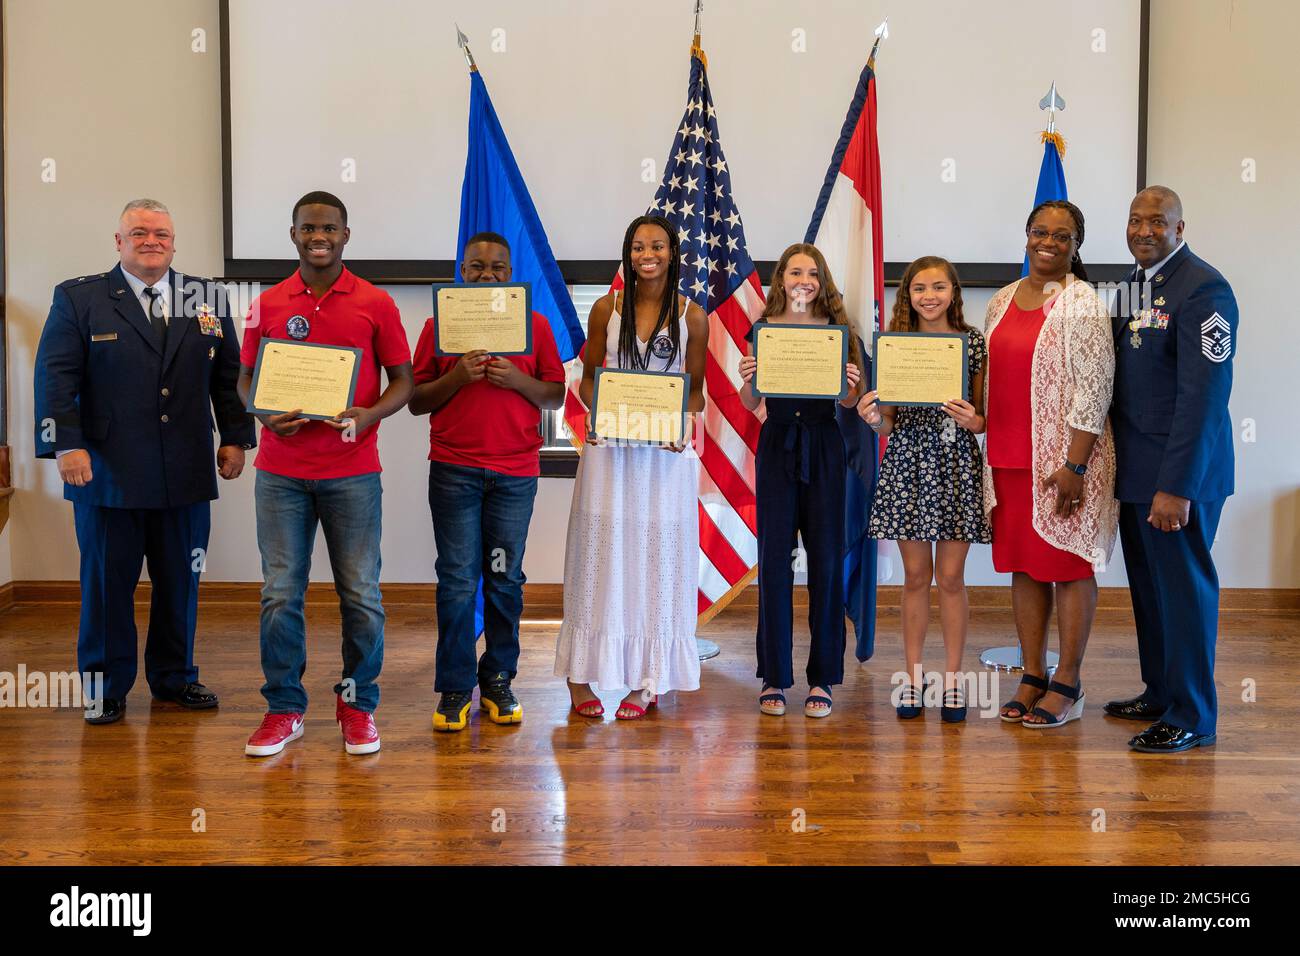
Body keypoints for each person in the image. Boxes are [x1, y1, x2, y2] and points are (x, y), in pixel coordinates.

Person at [33, 198, 254, 725]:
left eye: (160, 233)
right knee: (108, 584)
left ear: (174, 242)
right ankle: (104, 687)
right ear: (118, 241)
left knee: (181, 580)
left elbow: (228, 375)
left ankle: (174, 678)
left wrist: (236, 438)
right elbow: (55, 377)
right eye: (138, 232)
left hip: (185, 467)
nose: (150, 240)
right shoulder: (79, 298)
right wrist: (65, 445)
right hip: (106, 470)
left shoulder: (204, 296)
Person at [237, 191, 413, 757]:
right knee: (279, 595)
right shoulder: (264, 304)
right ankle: (284, 709)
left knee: (361, 594)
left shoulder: (375, 303)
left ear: (345, 235)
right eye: (309, 227)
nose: (320, 235)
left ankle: (357, 706)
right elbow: (243, 382)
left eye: (330, 227)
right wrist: (265, 414)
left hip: (352, 472)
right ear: (293, 234)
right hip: (280, 474)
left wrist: (368, 417)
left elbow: (403, 382)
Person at [409, 232, 566, 732]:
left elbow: (556, 396)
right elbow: (417, 401)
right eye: (476, 267)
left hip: (514, 475)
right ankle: (455, 687)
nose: (487, 275)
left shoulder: (535, 326)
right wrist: (458, 376)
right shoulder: (438, 326)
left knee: (505, 580)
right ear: (461, 271)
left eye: (498, 268)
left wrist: (514, 380)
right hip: (454, 471)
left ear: (511, 273)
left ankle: (498, 677)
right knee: (456, 581)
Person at [555, 215, 708, 720]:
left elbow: (696, 393)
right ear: (628, 253)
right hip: (611, 451)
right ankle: (581, 678)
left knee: (657, 562)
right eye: (639, 246)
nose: (648, 254)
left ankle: (649, 679)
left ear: (672, 253)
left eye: (658, 246)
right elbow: (589, 381)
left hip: (664, 460)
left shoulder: (693, 316)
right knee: (599, 555)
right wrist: (602, 417)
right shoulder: (606, 308)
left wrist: (679, 426)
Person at [1106, 186, 1237, 753]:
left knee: (1183, 591)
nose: (1143, 230)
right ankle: (1160, 692)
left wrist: (1177, 487)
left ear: (1180, 229)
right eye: (1135, 220)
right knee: (1150, 590)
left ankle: (1192, 714)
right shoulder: (1132, 285)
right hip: (1137, 472)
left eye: (1156, 222)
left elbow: (1204, 398)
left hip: (1178, 478)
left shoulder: (1204, 288)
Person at [986, 200, 1118, 728]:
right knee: (1024, 565)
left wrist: (1075, 467)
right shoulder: (999, 300)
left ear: (1075, 245)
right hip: (1009, 458)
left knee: (1067, 565)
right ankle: (1032, 674)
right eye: (1040, 232)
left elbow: (1095, 389)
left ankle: (1068, 679)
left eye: (1062, 236)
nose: (1049, 242)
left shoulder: (1082, 301)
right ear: (1025, 236)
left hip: (1064, 462)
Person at [858, 257, 990, 722]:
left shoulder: (974, 343)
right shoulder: (895, 346)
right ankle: (912, 681)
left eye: (938, 287)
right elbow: (888, 421)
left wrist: (974, 420)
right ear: (907, 295)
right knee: (915, 579)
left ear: (954, 291)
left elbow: (984, 417)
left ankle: (953, 684)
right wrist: (874, 419)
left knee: (951, 579)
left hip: (955, 463)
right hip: (907, 465)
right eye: (919, 288)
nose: (928, 296)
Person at [738, 243, 862, 719]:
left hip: (825, 446)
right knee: (773, 561)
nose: (803, 280)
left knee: (827, 562)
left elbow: (849, 406)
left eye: (812, 272)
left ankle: (823, 677)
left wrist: (850, 388)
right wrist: (749, 377)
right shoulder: (763, 331)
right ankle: (773, 676)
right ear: (782, 280)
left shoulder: (839, 331)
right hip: (777, 446)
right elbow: (752, 402)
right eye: (795, 272)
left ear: (822, 279)